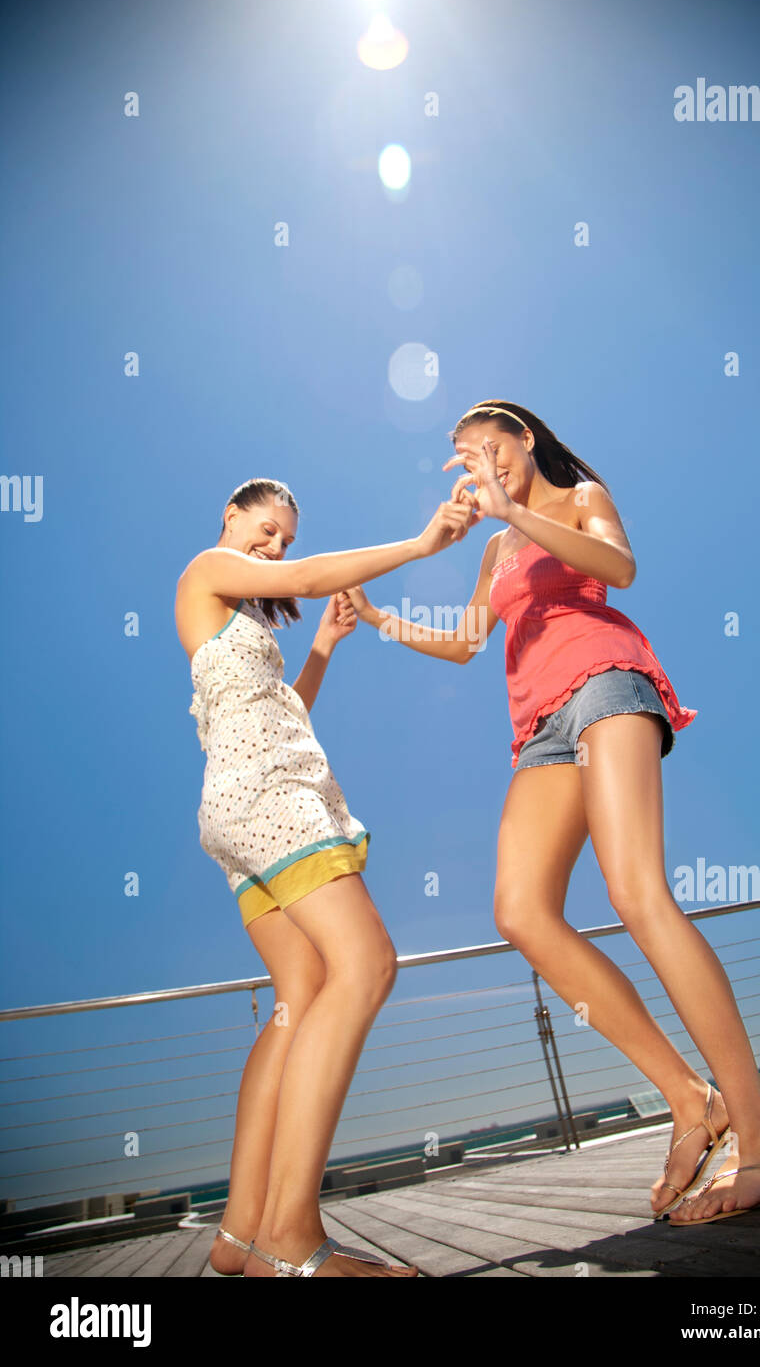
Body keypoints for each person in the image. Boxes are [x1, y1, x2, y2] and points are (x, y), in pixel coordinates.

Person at [344, 401, 760, 1225]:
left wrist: (517, 508)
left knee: (636, 893)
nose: (477, 464)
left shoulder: (575, 495)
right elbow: (466, 643)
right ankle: (688, 1096)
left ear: (524, 439)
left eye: (488, 446)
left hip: (603, 682)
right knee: (521, 911)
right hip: (538, 730)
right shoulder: (493, 546)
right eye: (463, 458)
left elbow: (620, 568)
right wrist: (378, 619)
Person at [176, 476, 475, 1277]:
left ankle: (240, 1235)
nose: (276, 548)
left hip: (238, 805)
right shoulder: (205, 570)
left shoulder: (237, 631)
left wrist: (323, 649)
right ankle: (291, 1237)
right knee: (367, 965)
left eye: (285, 540)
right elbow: (307, 582)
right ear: (230, 516)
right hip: (271, 797)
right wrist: (419, 546)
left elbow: (281, 712)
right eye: (265, 529)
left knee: (300, 997)